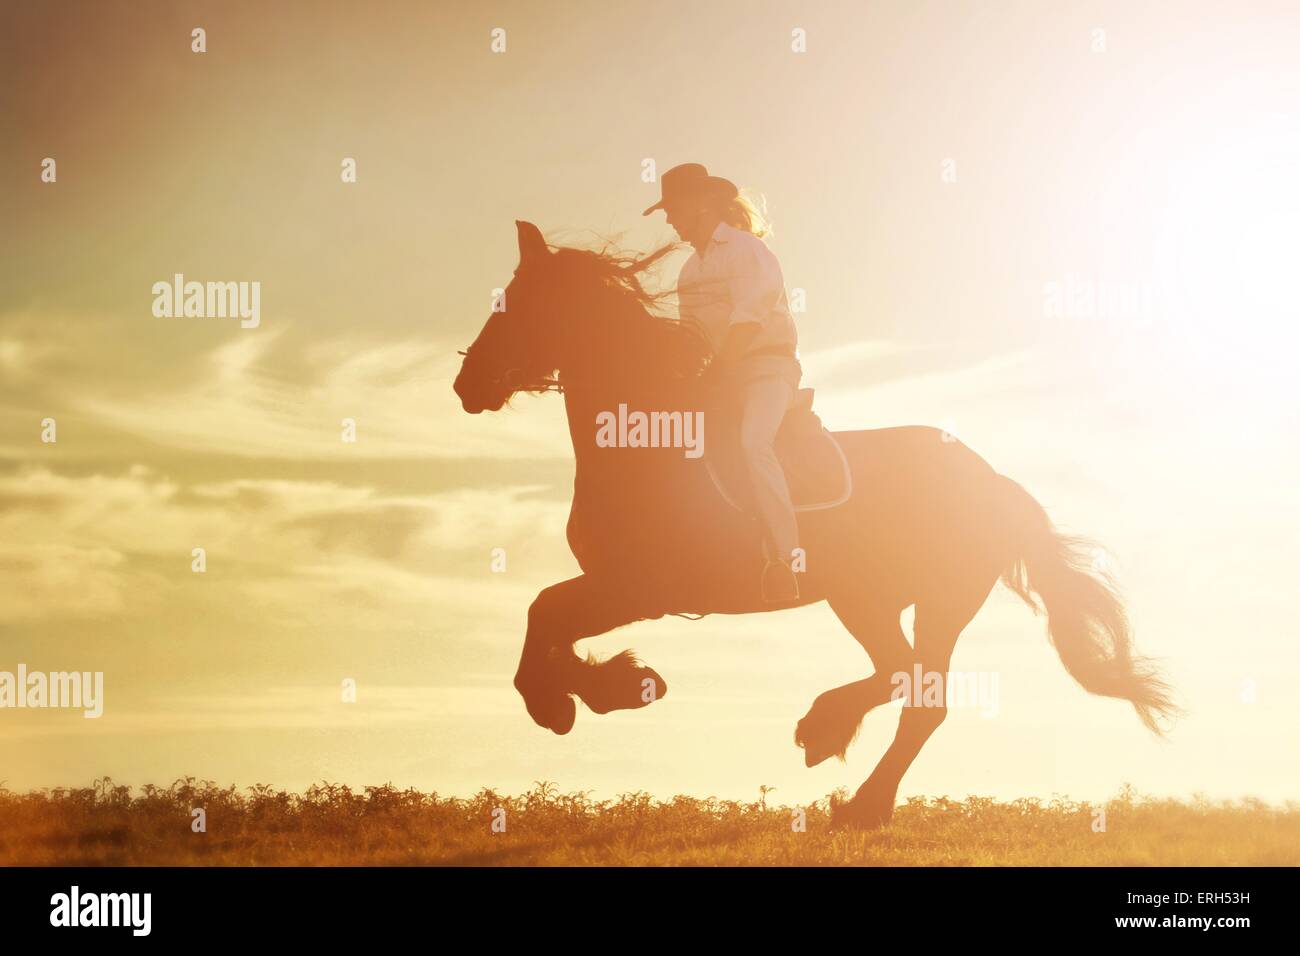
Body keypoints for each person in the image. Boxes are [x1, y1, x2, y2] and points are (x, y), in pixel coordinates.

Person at [643, 163, 802, 603]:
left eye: (673, 209)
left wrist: (717, 371)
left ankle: (787, 560)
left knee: (754, 442)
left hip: (767, 370)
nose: (670, 219)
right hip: (720, 377)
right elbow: (690, 340)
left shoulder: (746, 250)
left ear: (700, 204)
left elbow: (749, 318)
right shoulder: (688, 272)